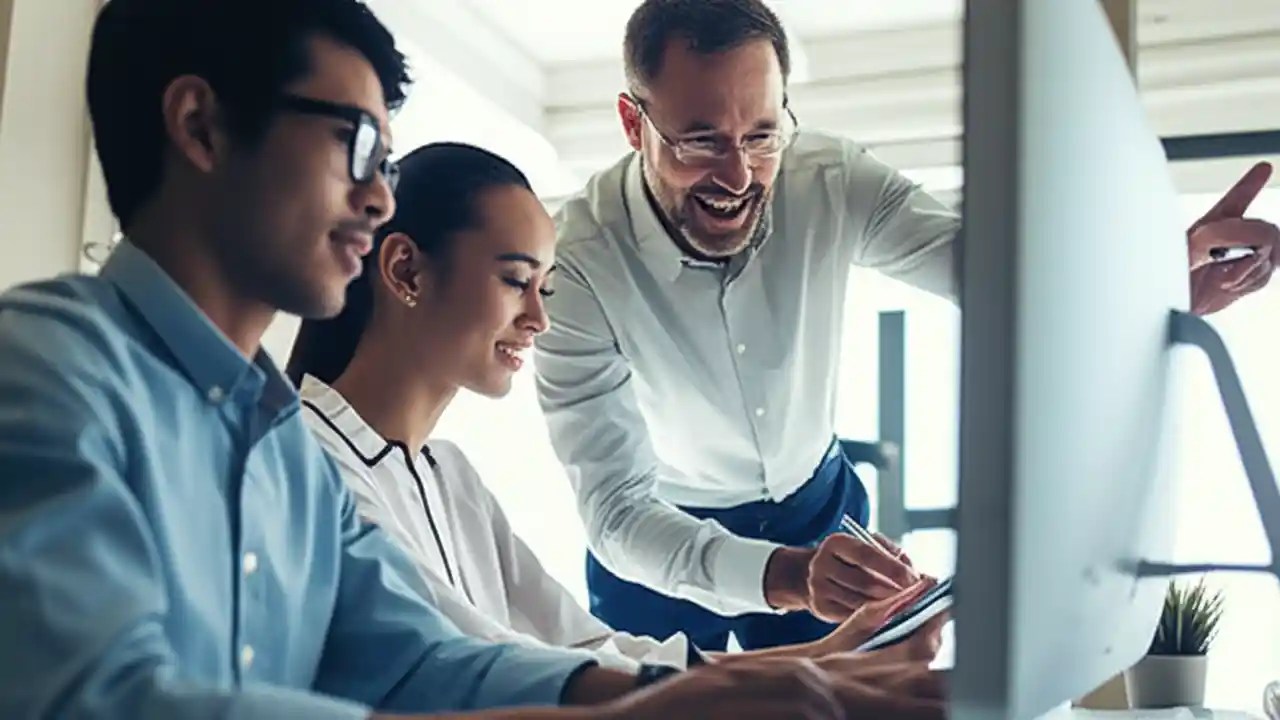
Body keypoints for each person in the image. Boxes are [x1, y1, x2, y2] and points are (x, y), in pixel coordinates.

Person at [0, 1, 948, 718]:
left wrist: (786, 680)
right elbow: (109, 701)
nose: (379, 203)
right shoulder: (44, 370)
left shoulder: (283, 447)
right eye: (357, 145)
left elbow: (432, 662)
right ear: (200, 127)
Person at [534, 0, 1280, 653]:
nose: (738, 176)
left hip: (816, 505)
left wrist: (1152, 280)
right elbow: (618, 510)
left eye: (762, 135)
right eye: (701, 142)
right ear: (634, 123)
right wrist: (784, 574)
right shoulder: (574, 265)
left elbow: (993, 272)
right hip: (658, 533)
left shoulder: (827, 179)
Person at [284, 141, 943, 675]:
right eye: (517, 281)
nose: (540, 319)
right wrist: (816, 671)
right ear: (405, 271)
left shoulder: (448, 475)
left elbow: (587, 650)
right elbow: (484, 666)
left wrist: (833, 656)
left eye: (545, 287)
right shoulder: (310, 463)